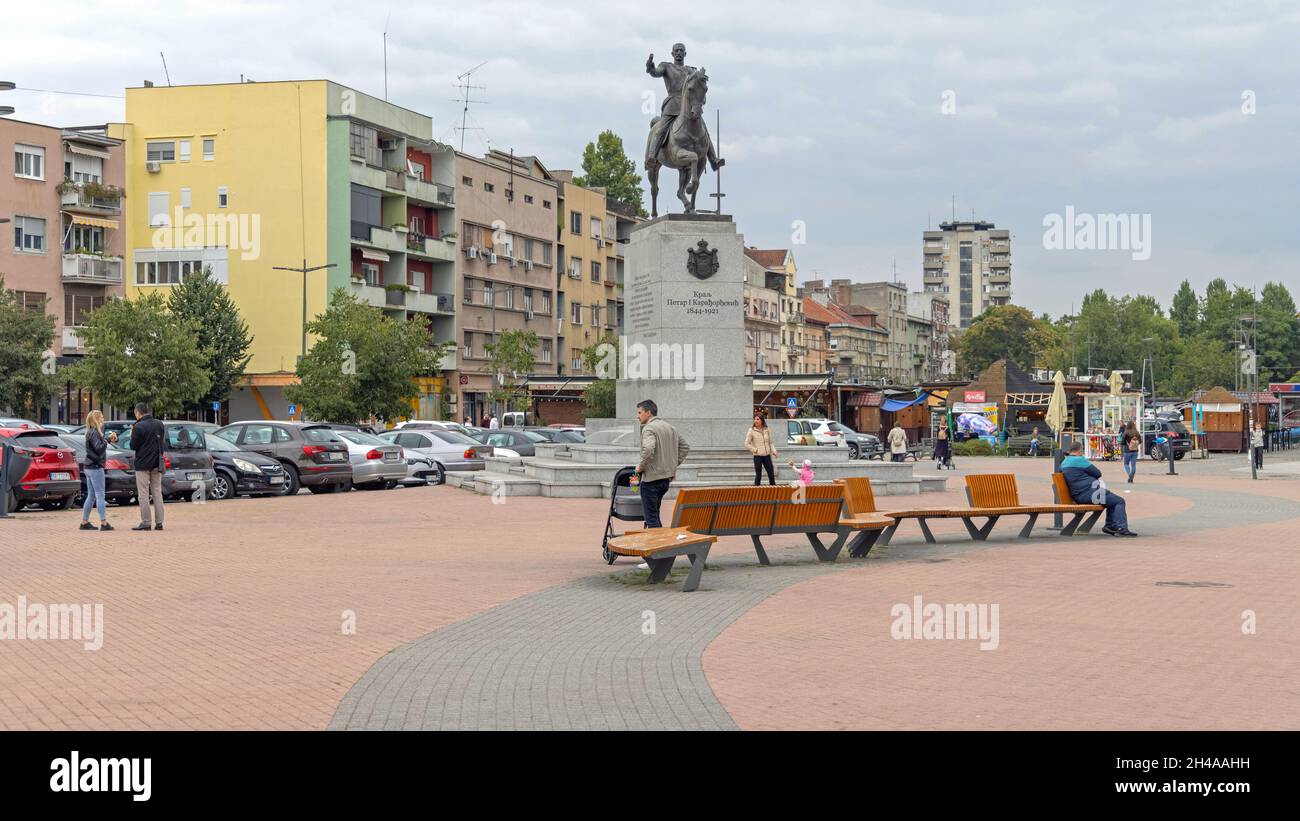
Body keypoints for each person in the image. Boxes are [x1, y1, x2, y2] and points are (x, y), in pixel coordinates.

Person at [1060, 440, 1137, 537]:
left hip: (1079, 494)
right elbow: (1097, 473)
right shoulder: (1080, 460)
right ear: (1079, 450)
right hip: (1089, 494)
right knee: (1119, 501)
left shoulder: (1064, 463)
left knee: (1111, 499)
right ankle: (1121, 528)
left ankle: (1110, 526)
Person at [634, 400, 690, 528]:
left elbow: (648, 450)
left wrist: (640, 467)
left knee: (651, 518)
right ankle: (658, 545)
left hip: (651, 480)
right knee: (655, 515)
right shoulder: (670, 427)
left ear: (648, 413)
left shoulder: (649, 428)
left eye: (639, 412)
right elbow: (685, 447)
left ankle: (657, 546)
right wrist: (673, 465)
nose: (637, 416)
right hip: (665, 480)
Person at [129, 402, 166, 531]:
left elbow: (133, 446)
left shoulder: (138, 427)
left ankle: (146, 522)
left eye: (135, 414)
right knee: (157, 492)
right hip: (157, 462)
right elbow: (162, 442)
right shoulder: (159, 424)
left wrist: (131, 435)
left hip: (142, 463)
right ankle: (159, 522)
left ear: (138, 412)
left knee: (143, 493)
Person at [78, 410, 113, 531]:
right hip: (95, 467)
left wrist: (107, 440)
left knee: (91, 496)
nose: (103, 419)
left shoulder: (90, 432)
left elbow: (96, 448)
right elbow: (99, 449)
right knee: (99, 495)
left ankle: (84, 522)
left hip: (89, 466)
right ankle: (103, 523)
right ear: (97, 420)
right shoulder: (95, 433)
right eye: (102, 417)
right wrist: (107, 440)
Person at [744, 414, 778, 486]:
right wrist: (755, 450)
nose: (755, 421)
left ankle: (774, 494)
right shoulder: (751, 430)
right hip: (757, 457)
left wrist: (774, 451)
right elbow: (746, 444)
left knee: (771, 475)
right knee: (758, 476)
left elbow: (770, 442)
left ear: (762, 420)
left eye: (757, 419)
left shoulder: (766, 429)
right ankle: (756, 494)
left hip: (767, 456)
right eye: (755, 419)